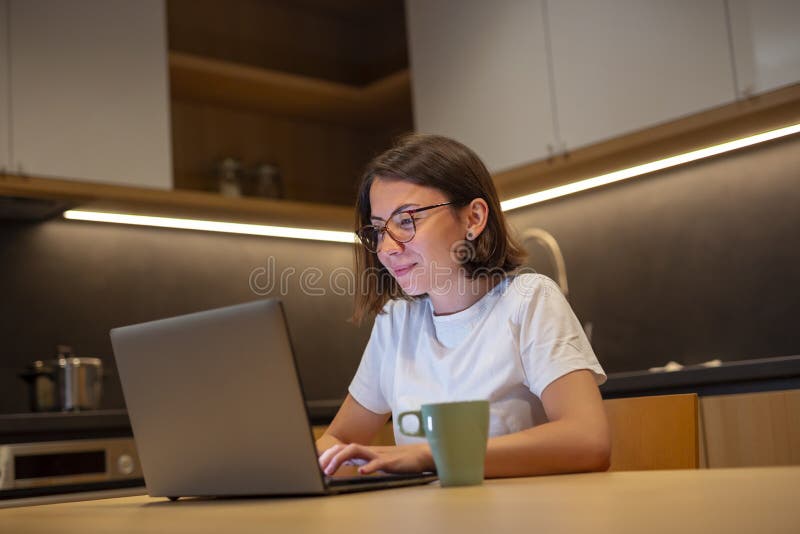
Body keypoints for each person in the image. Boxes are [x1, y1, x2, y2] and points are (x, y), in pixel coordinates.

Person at [316, 134, 610, 478]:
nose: (386, 248)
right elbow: (337, 439)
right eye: (378, 230)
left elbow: (588, 440)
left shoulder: (529, 301)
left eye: (407, 221)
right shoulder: (396, 322)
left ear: (473, 219)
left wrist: (433, 455)